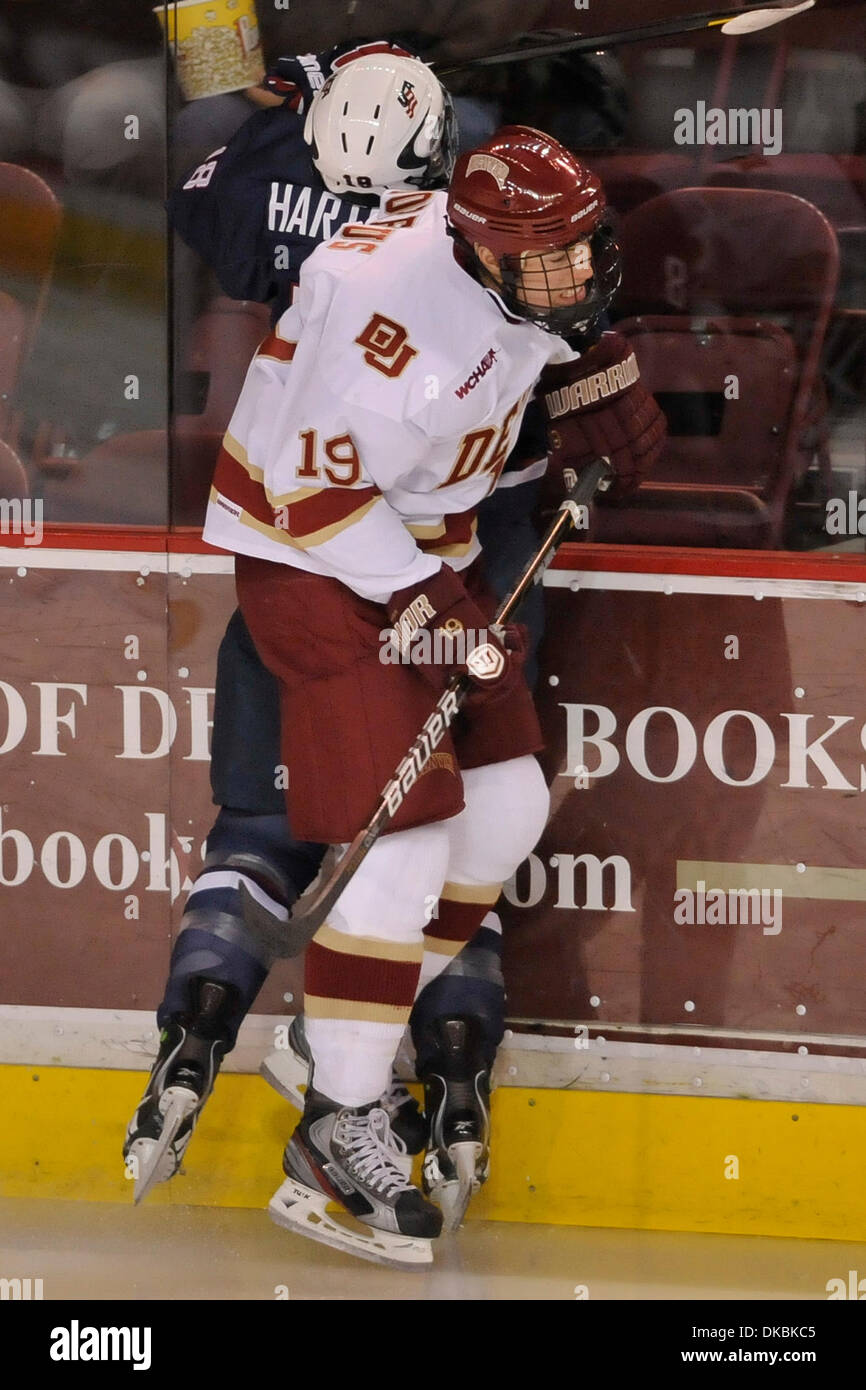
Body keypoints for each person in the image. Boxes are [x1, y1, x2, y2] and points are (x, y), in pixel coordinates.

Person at [195, 124, 663, 1266]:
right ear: (481, 251)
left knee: (505, 808)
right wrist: (428, 607)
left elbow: (532, 331)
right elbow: (305, 498)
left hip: (419, 539)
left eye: (582, 248)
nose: (578, 272)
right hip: (310, 556)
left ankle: (342, 1035)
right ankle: (331, 1126)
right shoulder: (376, 320)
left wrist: (586, 365)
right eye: (550, 261)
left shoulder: (497, 262)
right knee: (403, 844)